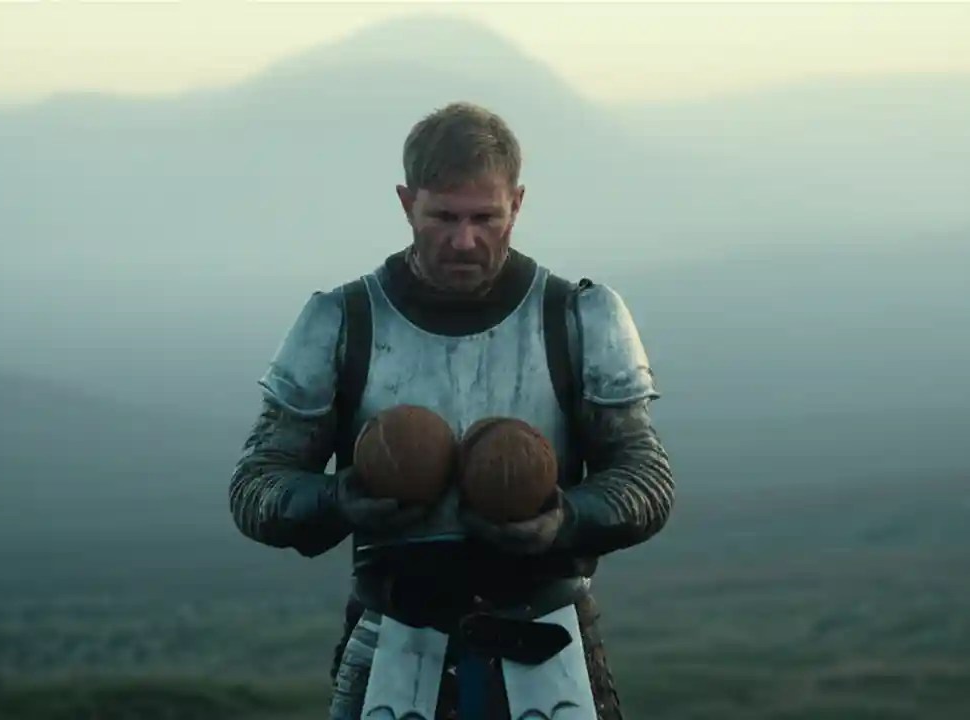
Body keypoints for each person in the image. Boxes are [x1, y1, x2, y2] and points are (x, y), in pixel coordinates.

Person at [228, 101, 674, 720]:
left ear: (517, 205)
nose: (464, 239)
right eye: (443, 217)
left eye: (484, 217)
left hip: (551, 650)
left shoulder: (579, 318)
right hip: (391, 645)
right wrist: (337, 501)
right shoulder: (340, 322)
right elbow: (256, 484)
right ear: (407, 202)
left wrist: (563, 518)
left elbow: (646, 479)